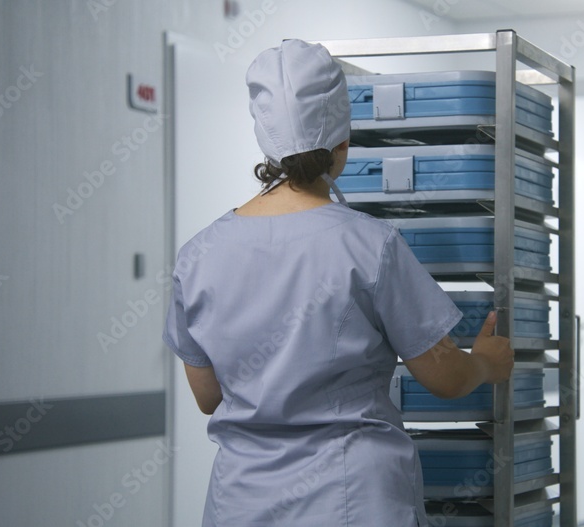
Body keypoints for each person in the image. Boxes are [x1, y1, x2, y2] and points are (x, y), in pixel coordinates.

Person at [162, 39, 514, 527]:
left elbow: (209, 398)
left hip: (242, 504)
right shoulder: (370, 245)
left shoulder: (198, 255)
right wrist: (486, 365)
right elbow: (444, 377)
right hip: (352, 500)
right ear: (342, 145)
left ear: (265, 144)